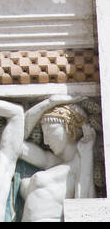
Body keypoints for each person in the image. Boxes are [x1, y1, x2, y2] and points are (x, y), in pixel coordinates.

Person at [18, 94, 95, 222]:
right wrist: (50, 102)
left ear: (69, 128)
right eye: (44, 134)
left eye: (50, 132)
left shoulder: (79, 163)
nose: (46, 141)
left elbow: (85, 205)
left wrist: (87, 154)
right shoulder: (52, 162)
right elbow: (14, 140)